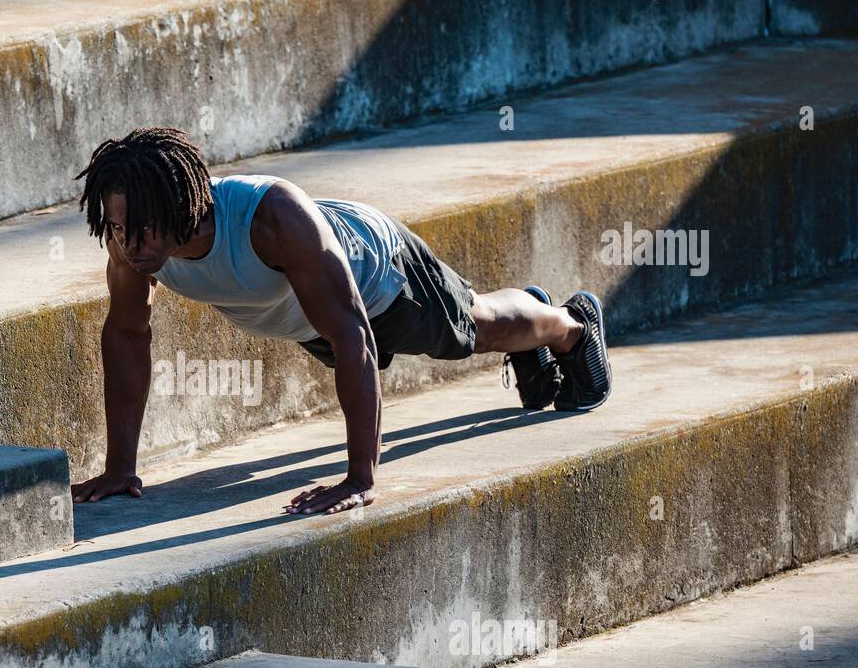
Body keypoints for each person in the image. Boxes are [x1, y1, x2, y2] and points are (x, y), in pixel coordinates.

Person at [69, 127, 611, 516]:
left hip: (380, 277)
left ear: (181, 204)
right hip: (307, 318)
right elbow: (127, 333)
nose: (127, 244)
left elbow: (354, 332)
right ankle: (535, 318)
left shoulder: (271, 217)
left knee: (476, 328)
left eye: (139, 227)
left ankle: (569, 326)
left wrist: (360, 477)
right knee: (466, 329)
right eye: (114, 229)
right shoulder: (130, 249)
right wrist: (121, 467)